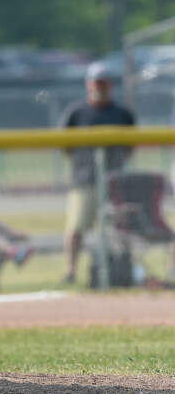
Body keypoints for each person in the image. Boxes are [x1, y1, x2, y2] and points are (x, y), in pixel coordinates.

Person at [59, 61, 134, 284]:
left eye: (103, 83)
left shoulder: (122, 114)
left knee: (120, 228)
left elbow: (131, 145)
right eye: (95, 83)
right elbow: (64, 145)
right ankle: (70, 271)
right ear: (88, 84)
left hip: (114, 181)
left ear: (109, 85)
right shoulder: (76, 112)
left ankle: (121, 271)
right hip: (84, 180)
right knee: (75, 228)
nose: (99, 87)